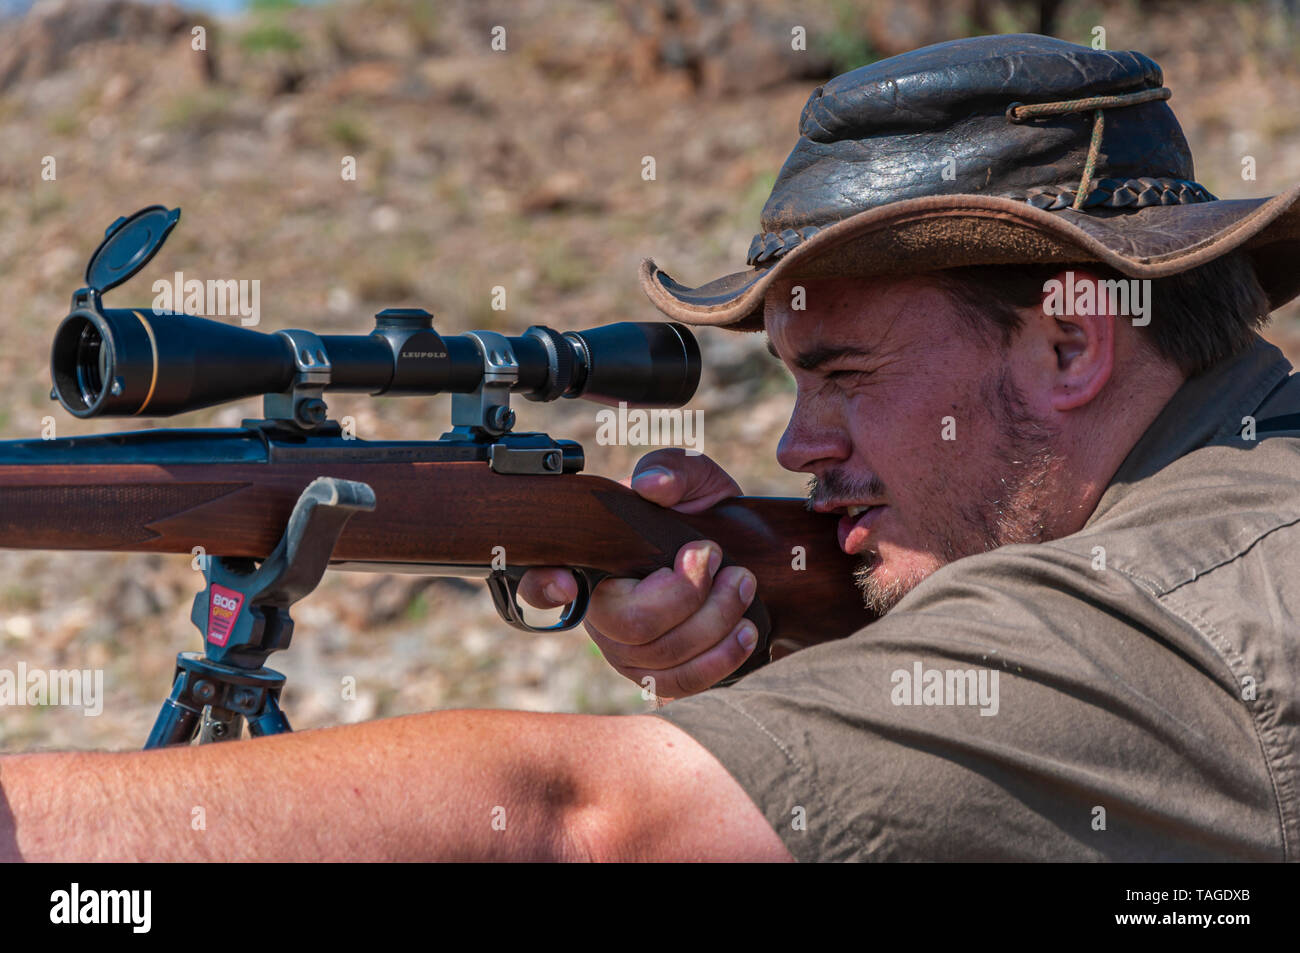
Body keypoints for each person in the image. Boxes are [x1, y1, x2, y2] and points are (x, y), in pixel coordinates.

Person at [3, 33, 1299, 862]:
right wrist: (778, 637)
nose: (800, 441)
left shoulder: (1161, 613)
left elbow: (574, 817)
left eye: (846, 376)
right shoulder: (1242, 477)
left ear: (1073, 346)